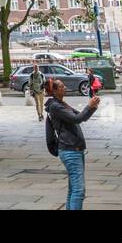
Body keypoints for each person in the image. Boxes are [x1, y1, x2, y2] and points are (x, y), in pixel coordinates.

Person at [45, 77, 100, 210]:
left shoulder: (61, 104)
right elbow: (77, 119)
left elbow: (81, 117)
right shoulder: (56, 106)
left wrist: (92, 107)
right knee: (79, 191)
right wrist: (90, 106)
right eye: (62, 86)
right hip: (70, 150)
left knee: (73, 189)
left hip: (74, 149)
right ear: (55, 90)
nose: (65, 88)